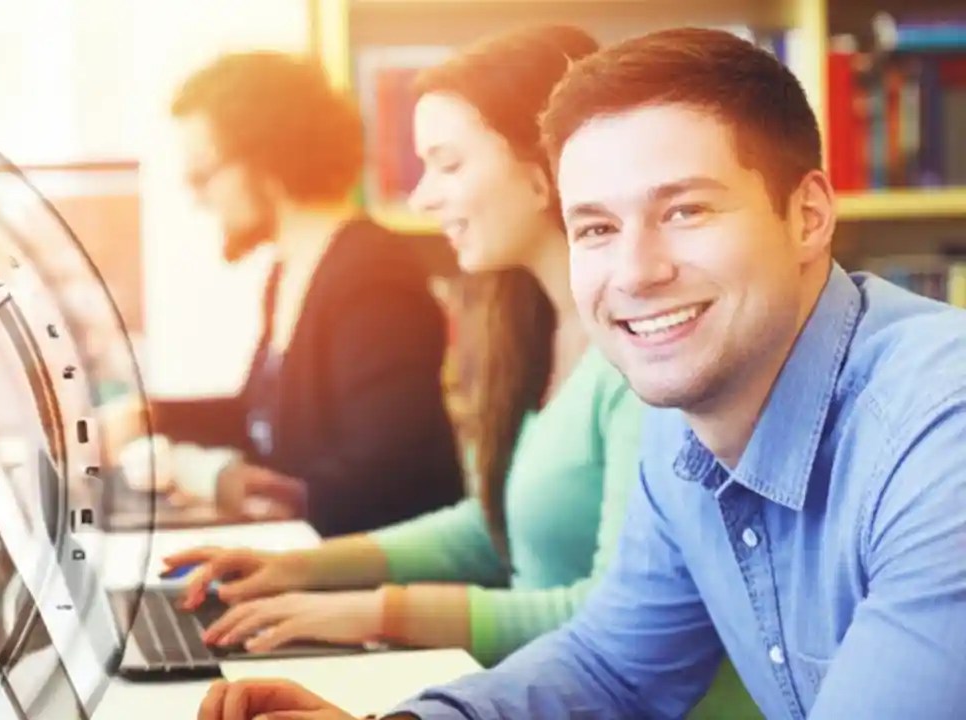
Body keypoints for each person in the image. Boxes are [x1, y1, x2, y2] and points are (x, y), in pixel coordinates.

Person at [195, 26, 966, 720]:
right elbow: (611, 666)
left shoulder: (940, 431)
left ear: (808, 216)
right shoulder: (681, 421)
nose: (634, 271)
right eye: (595, 227)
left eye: (685, 211)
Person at [102, 51, 464, 537]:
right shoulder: (291, 270)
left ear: (265, 158)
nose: (198, 195)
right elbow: (262, 418)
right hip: (319, 563)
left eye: (202, 173)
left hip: (378, 581)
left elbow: (383, 478)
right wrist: (150, 416)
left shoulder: (373, 278)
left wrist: (212, 478)